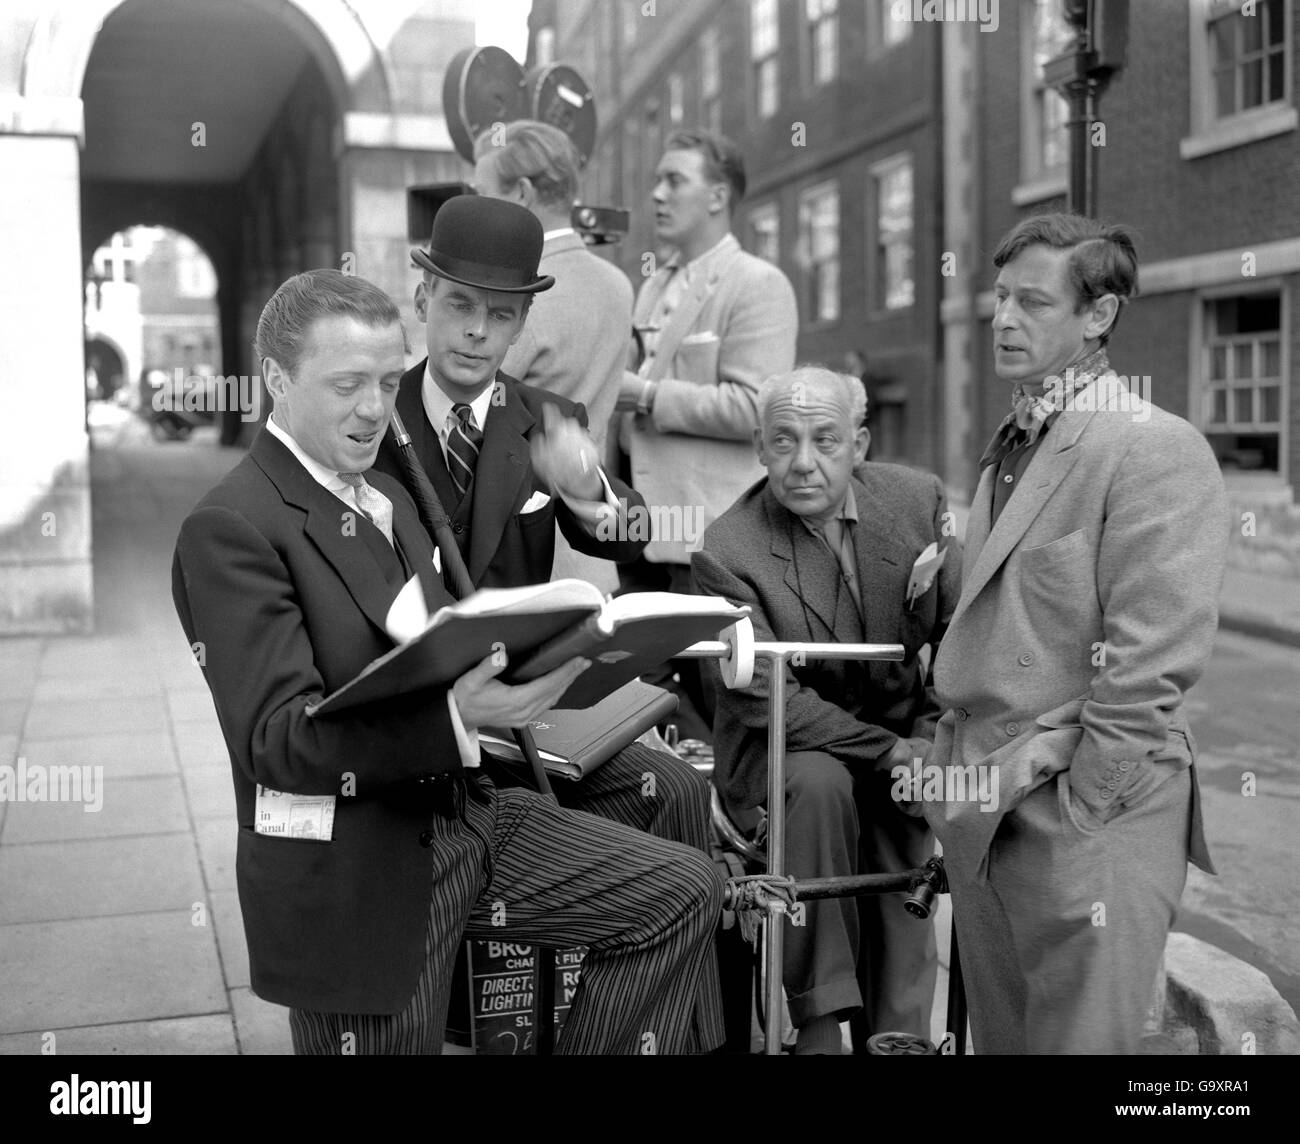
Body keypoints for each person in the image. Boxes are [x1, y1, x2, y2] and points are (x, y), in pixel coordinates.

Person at [172, 268, 723, 1054]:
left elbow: (431, 649)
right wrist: (462, 713)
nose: (374, 409)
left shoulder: (382, 501)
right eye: (347, 385)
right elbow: (277, 746)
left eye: (388, 382)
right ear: (275, 382)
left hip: (466, 817)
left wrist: (544, 661)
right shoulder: (232, 525)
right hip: (356, 872)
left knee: (681, 891)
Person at [370, 195, 724, 1049]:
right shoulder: (371, 420)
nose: (475, 333)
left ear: (526, 319)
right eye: (458, 305)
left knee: (677, 788)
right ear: (423, 300)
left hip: (532, 719)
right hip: (422, 725)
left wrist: (589, 491)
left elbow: (638, 530)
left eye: (500, 314)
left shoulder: (539, 417)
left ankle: (668, 1037)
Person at [922, 213, 1229, 1054]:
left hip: (1086, 824)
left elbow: (1151, 660)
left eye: (1032, 302)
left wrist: (1086, 808)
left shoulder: (1153, 448)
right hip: (986, 812)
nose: (1003, 319)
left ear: (1098, 315)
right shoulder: (1012, 446)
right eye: (998, 300)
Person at [692, 367, 959, 1054]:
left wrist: (928, 743)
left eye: (825, 439)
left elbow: (960, 643)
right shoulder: (728, 548)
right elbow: (761, 698)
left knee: (905, 812)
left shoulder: (917, 501)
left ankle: (897, 1031)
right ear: (759, 447)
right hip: (784, 755)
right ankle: (818, 1021)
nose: (802, 461)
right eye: (783, 441)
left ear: (860, 444)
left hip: (896, 743)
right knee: (819, 784)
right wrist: (892, 750)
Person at [614, 128, 799, 744]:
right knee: (659, 711)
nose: (656, 194)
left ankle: (743, 831)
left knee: (727, 708)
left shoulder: (757, 283)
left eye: (675, 180)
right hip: (640, 538)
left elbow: (757, 406)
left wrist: (644, 395)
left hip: (712, 540)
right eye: (656, 180)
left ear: (719, 196)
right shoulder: (652, 283)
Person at [473, 119, 635, 591]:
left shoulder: (516, 291)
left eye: (483, 193)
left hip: (524, 561)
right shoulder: (617, 284)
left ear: (521, 193)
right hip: (592, 553)